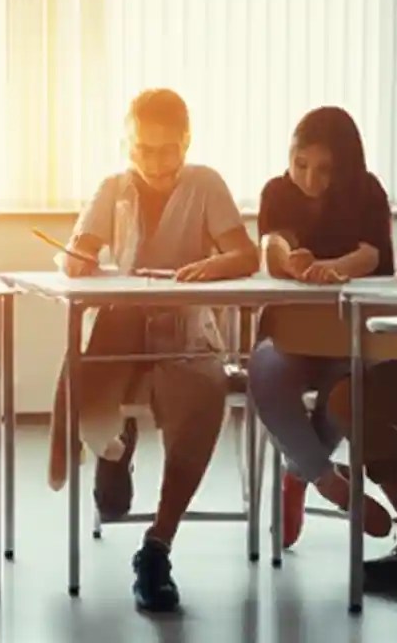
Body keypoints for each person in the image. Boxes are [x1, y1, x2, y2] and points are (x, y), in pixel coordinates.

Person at [51, 88, 259, 612]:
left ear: (187, 142)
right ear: (127, 142)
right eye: (142, 148)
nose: (154, 162)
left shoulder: (205, 183)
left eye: (167, 150)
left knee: (207, 390)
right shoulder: (112, 186)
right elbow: (80, 252)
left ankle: (157, 544)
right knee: (87, 370)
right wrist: (76, 260)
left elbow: (244, 252)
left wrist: (215, 264)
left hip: (184, 328)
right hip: (119, 330)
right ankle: (112, 447)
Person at [245, 107, 397, 579]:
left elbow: (372, 254)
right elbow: (272, 241)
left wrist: (336, 266)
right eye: (300, 164)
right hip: (289, 331)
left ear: (346, 168)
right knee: (266, 371)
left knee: (346, 390)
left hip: (345, 333)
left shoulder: (367, 191)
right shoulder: (277, 191)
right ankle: (326, 479)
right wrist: (292, 260)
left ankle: (299, 470)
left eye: (324, 169)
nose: (309, 179)